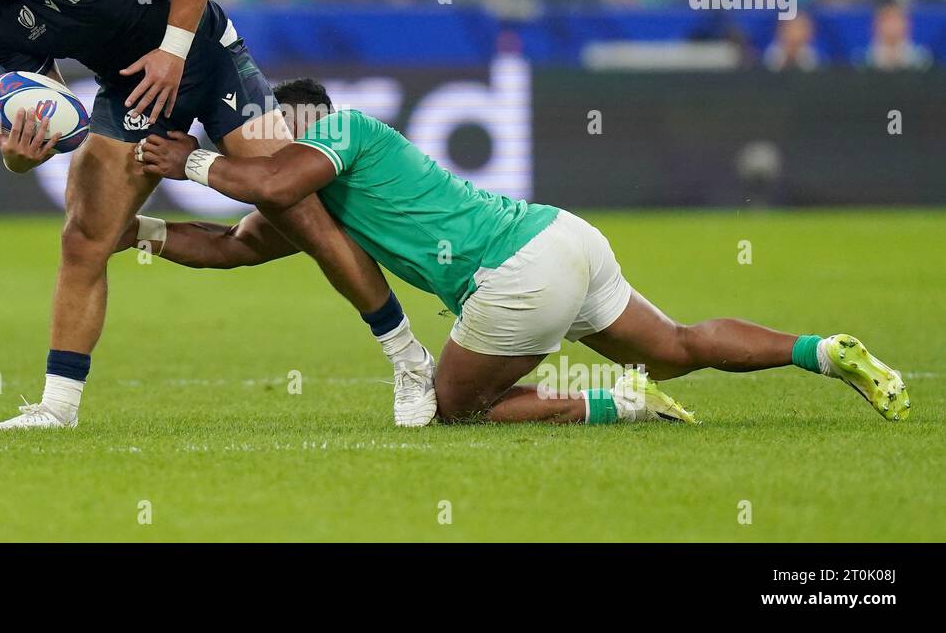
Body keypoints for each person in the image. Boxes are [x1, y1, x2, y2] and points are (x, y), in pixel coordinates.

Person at [0, 0, 435, 430]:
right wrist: (22, 154)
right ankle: (57, 408)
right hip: (134, 89)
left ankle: (410, 361)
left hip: (208, 59)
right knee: (86, 236)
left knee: (296, 208)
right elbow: (56, 111)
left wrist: (172, 50)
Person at [132, 78, 911, 426]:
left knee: (450, 407)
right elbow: (231, 249)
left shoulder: (344, 132)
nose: (268, 136)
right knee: (674, 347)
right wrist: (134, 235)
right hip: (562, 238)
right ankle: (821, 350)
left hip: (518, 274)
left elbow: (266, 179)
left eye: (274, 125)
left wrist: (191, 162)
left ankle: (618, 403)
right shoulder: (301, 201)